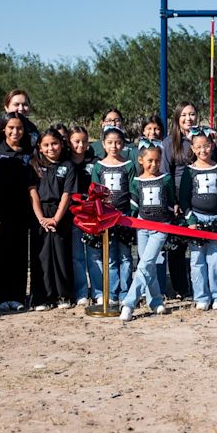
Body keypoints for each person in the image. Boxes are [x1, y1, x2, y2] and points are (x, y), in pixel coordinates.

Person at [119, 144, 176, 321]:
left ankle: (128, 304)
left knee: (145, 264)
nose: (154, 164)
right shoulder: (136, 181)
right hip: (142, 226)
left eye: (157, 160)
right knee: (147, 265)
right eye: (150, 160)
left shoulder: (166, 179)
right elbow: (134, 205)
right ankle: (156, 302)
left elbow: (170, 201)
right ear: (141, 160)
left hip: (161, 227)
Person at [179, 127, 217, 312]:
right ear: (193, 149)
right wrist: (191, 219)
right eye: (199, 147)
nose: (203, 150)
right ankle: (201, 296)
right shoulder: (189, 171)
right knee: (197, 259)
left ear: (212, 146)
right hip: (197, 219)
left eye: (207, 146)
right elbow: (183, 198)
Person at [0, 113, 34, 311]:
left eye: (20, 128)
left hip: (22, 210)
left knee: (20, 254)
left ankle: (17, 296)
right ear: (4, 129)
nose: (15, 132)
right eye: (11, 128)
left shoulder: (29, 151)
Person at [28, 129, 79, 311]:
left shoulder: (68, 166)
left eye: (55, 143)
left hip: (61, 215)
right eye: (46, 145)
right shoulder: (34, 165)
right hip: (39, 215)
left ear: (62, 144)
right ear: (40, 147)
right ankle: (41, 297)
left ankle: (63, 295)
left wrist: (56, 218)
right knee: (41, 255)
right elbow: (33, 193)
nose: (51, 148)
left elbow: (67, 194)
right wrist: (41, 218)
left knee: (61, 255)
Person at [89, 126, 137, 302]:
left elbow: (134, 190)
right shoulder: (98, 167)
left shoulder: (129, 165)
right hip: (106, 218)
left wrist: (131, 212)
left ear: (123, 144)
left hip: (124, 216)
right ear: (103, 144)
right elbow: (94, 192)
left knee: (126, 255)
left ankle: (126, 292)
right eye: (109, 142)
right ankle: (112, 293)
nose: (114, 146)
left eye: (118, 142)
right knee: (109, 256)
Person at [162, 101, 198, 300]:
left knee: (197, 245)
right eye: (184, 115)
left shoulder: (202, 138)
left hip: (197, 198)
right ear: (177, 118)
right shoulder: (169, 143)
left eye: (192, 114)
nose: (188, 119)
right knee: (177, 248)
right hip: (177, 203)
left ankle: (199, 286)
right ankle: (181, 289)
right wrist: (173, 201)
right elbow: (166, 175)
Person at [66, 126, 96, 306]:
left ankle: (98, 291)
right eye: (76, 141)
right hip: (73, 215)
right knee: (77, 256)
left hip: (92, 215)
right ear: (69, 142)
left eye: (84, 141)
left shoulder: (94, 162)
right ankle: (81, 292)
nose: (81, 144)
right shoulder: (65, 163)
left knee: (94, 255)